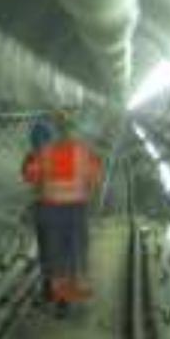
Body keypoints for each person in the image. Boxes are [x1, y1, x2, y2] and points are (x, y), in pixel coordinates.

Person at [21, 116, 102, 310]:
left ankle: (56, 296)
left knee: (51, 255)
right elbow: (94, 175)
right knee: (73, 253)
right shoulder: (79, 151)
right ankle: (70, 294)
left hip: (50, 213)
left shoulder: (40, 156)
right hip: (76, 213)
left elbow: (30, 176)